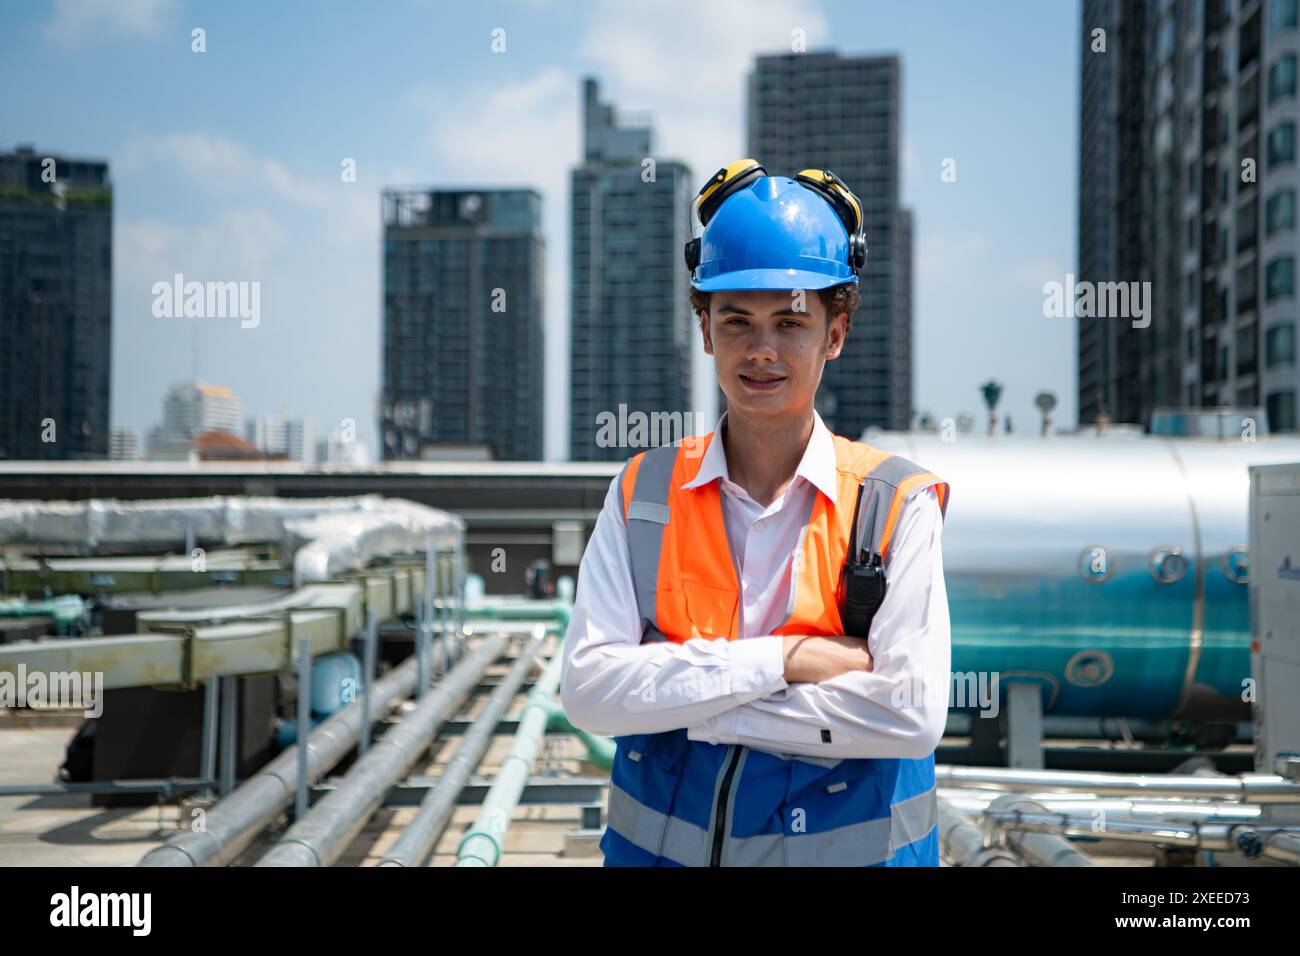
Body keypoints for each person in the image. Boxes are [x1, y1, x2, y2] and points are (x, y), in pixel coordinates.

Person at [559, 158, 952, 866]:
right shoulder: (644, 492)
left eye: (790, 323)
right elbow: (590, 695)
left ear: (834, 334)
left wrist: (691, 703)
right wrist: (791, 658)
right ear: (705, 330)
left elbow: (910, 716)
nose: (761, 350)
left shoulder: (895, 505)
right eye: (736, 321)